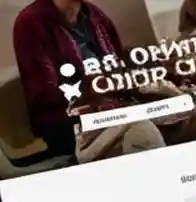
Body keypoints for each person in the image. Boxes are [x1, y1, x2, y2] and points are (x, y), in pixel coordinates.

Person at [13, 0, 125, 155]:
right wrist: (93, 92)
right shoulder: (30, 22)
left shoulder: (93, 13)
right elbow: (42, 92)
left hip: (113, 109)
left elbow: (121, 66)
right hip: (67, 122)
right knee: (140, 130)